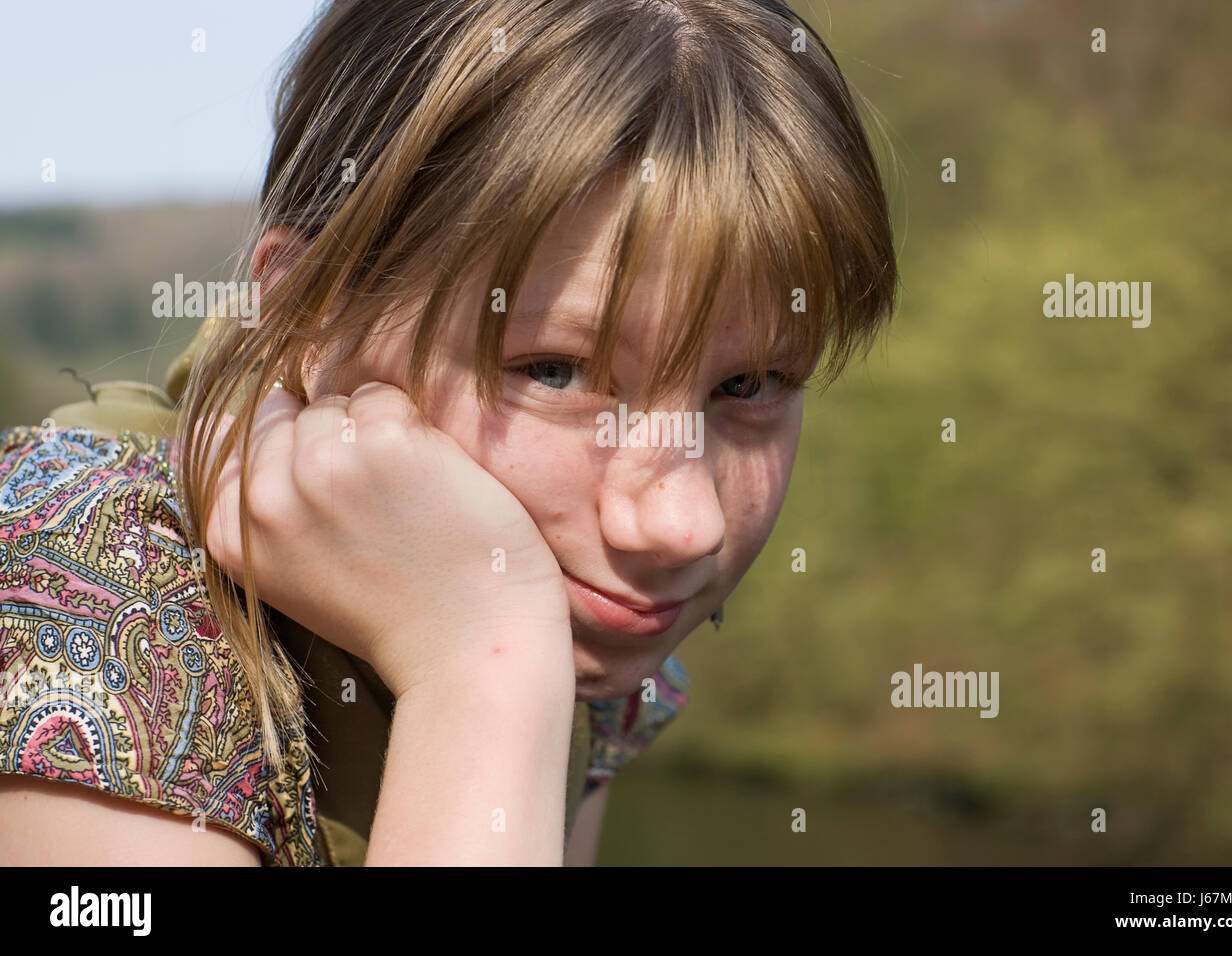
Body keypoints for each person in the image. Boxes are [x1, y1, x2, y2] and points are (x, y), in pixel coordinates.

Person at [0, 0, 898, 865]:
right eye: (555, 370)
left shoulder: (594, 639)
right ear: (307, 314)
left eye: (750, 384)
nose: (680, 525)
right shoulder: (85, 583)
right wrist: (485, 675)